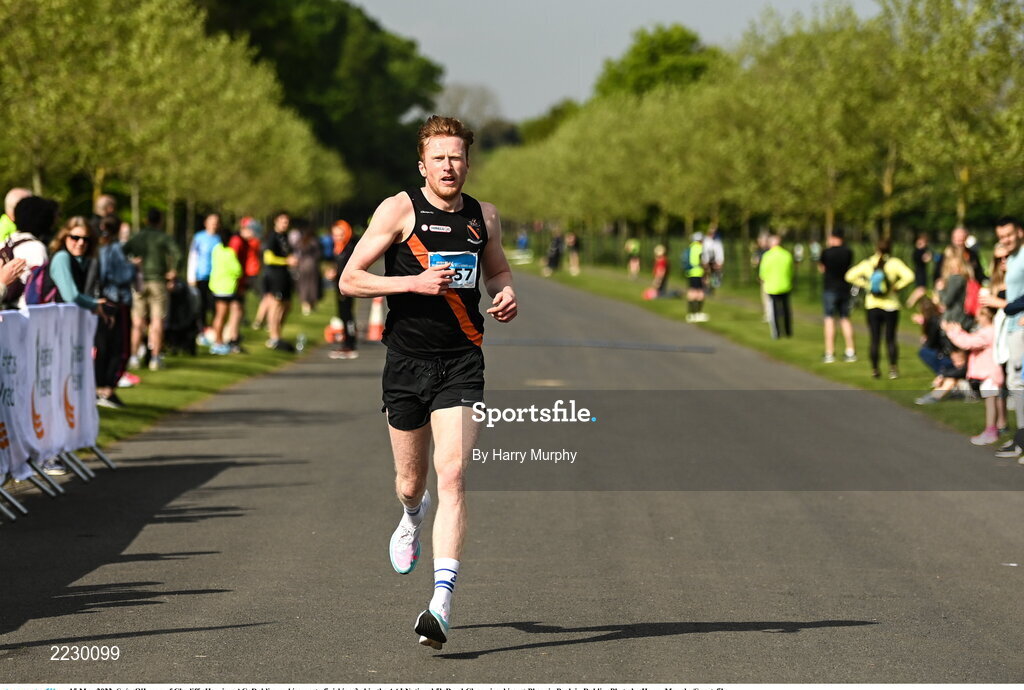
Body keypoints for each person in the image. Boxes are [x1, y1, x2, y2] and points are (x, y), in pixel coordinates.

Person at [339, 115, 517, 650]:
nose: (449, 165)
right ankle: (410, 516)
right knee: (412, 483)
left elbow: (498, 271)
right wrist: (412, 282)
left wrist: (506, 292)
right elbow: (350, 279)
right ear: (423, 165)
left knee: (455, 474)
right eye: (439, 157)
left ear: (467, 163)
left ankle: (440, 604)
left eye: (457, 157)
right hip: (406, 363)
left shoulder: (483, 216)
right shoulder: (399, 210)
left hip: (463, 360)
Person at [981, 217, 1024, 458]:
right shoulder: (1013, 258)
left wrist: (1005, 304)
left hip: (1020, 327)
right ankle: (1020, 438)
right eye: (1001, 236)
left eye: (1009, 235)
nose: (1005, 240)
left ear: (1020, 232)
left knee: (1018, 383)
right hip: (1011, 328)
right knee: (1014, 383)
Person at [845, 237, 915, 379]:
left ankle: (875, 369)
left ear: (876, 248)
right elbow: (910, 276)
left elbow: (849, 276)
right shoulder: (894, 263)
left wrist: (867, 285)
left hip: (872, 305)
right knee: (890, 338)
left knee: (874, 339)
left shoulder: (868, 263)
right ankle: (893, 369)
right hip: (891, 305)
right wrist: (897, 287)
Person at [124, 208, 180, 371]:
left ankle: (134, 357)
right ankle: (155, 358)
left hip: (139, 282)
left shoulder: (137, 237)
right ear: (160, 220)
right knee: (157, 321)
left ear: (146, 220)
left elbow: (122, 252)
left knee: (137, 322)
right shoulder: (163, 237)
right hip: (158, 282)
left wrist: (132, 264)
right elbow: (178, 253)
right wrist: (174, 271)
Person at [942, 308, 1006, 445]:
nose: (977, 320)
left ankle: (991, 430)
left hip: (990, 373)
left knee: (991, 402)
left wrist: (953, 332)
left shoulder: (989, 332)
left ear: (986, 316)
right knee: (994, 401)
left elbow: (968, 343)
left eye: (979, 317)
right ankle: (997, 428)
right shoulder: (990, 331)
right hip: (990, 373)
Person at [95, 216, 136, 407]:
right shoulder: (115, 249)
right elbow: (121, 275)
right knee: (119, 348)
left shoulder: (98, 249)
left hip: (103, 301)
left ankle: (101, 387)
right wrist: (134, 266)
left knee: (104, 347)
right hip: (115, 302)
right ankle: (106, 389)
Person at [818, 229, 856, 363]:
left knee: (829, 319)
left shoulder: (826, 252)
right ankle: (850, 350)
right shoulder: (848, 252)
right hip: (844, 289)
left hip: (830, 288)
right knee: (845, 318)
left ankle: (830, 352)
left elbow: (822, 268)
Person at [262, 211, 297, 351]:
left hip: (285, 275)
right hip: (274, 275)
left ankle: (277, 334)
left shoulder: (285, 236)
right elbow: (268, 258)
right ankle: (273, 337)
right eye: (283, 221)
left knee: (287, 305)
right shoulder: (272, 236)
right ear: (276, 221)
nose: (285, 224)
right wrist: (286, 261)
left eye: (287, 222)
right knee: (276, 306)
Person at [324, 219, 359, 359]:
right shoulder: (338, 248)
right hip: (338, 284)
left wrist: (337, 273)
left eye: (340, 234)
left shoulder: (349, 248)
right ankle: (347, 341)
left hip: (347, 286)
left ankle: (350, 343)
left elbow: (348, 268)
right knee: (342, 314)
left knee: (347, 314)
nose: (338, 237)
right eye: (335, 235)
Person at [188, 213, 224, 344]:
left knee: (214, 306)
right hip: (201, 276)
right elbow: (193, 256)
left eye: (216, 221)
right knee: (201, 306)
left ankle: (214, 331)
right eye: (212, 221)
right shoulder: (199, 237)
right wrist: (191, 276)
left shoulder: (219, 239)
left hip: (216, 277)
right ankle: (201, 332)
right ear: (206, 223)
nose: (214, 224)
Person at [208, 225, 243, 355]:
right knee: (222, 315)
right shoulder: (229, 253)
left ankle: (222, 340)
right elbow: (237, 270)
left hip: (216, 286)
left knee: (221, 314)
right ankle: (218, 342)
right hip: (226, 288)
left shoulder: (216, 250)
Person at [759, 234, 794, 339]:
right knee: (786, 309)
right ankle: (788, 331)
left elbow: (763, 273)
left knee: (774, 310)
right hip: (785, 285)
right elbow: (791, 271)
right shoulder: (787, 255)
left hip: (772, 287)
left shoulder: (767, 256)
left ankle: (777, 332)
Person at [936, 246, 974, 329]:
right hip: (965, 318)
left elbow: (946, 301)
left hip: (954, 321)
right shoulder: (966, 277)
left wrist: (940, 290)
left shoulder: (956, 278)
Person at [295, 223, 323, 316]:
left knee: (303, 285)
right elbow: (319, 253)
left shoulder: (301, 241)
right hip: (312, 264)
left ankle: (305, 305)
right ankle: (311, 304)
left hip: (302, 265)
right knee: (312, 285)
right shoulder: (314, 240)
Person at [684, 232, 708, 322]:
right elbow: (702, 262)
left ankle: (691, 313)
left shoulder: (691, 247)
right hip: (698, 273)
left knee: (691, 292)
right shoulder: (699, 248)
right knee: (699, 293)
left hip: (690, 272)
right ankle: (697, 313)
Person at [907, 232, 933, 308]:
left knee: (921, 290)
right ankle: (909, 303)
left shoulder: (920, 250)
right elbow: (926, 259)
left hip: (921, 272)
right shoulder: (918, 251)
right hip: (920, 272)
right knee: (921, 290)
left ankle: (918, 305)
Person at [703, 224, 725, 293]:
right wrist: (705, 261)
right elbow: (704, 251)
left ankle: (712, 288)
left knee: (715, 275)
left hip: (715, 261)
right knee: (706, 275)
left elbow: (720, 252)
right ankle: (706, 288)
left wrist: (720, 262)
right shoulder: (706, 240)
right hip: (707, 261)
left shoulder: (718, 241)